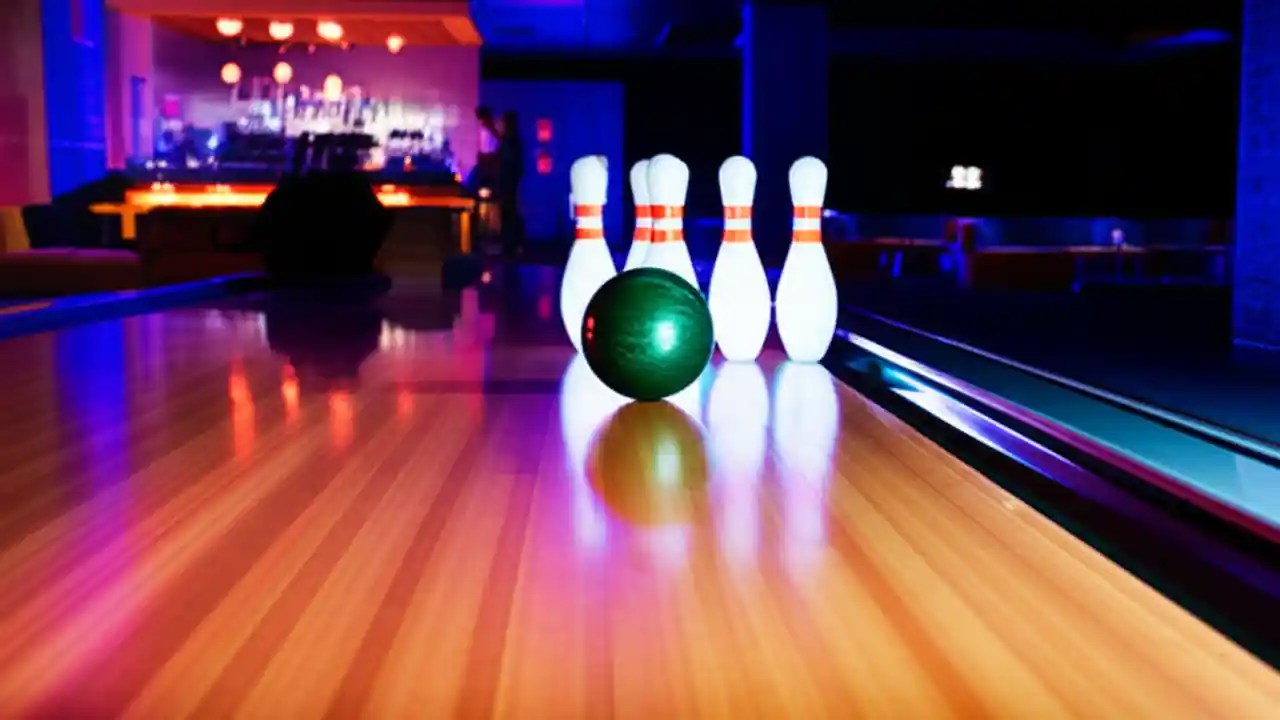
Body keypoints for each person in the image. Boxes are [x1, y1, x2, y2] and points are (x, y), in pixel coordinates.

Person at [497, 110, 525, 255]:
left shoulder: (508, 141)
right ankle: (514, 243)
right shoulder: (514, 141)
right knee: (511, 212)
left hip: (508, 182)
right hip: (511, 182)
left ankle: (511, 244)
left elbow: (508, 162)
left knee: (509, 213)